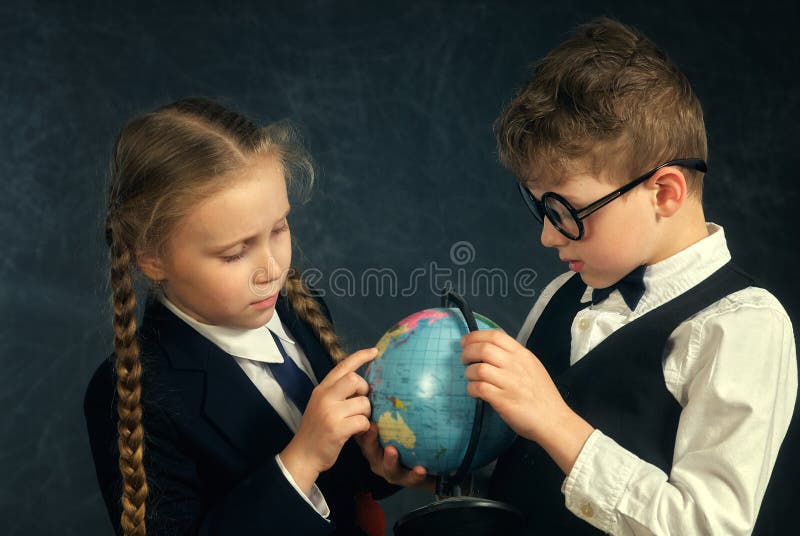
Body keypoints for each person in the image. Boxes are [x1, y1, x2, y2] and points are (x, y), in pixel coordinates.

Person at [459, 17, 798, 535]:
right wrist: (444, 469)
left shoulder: (744, 326)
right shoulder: (561, 295)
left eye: (566, 209)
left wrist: (556, 422)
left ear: (664, 192)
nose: (548, 237)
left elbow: (708, 526)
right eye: (539, 207)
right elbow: (515, 474)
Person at [84, 97, 425, 535]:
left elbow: (343, 491)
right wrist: (299, 461)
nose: (271, 269)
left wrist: (379, 467)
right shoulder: (136, 392)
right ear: (152, 258)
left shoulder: (300, 309)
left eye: (279, 229)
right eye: (234, 252)